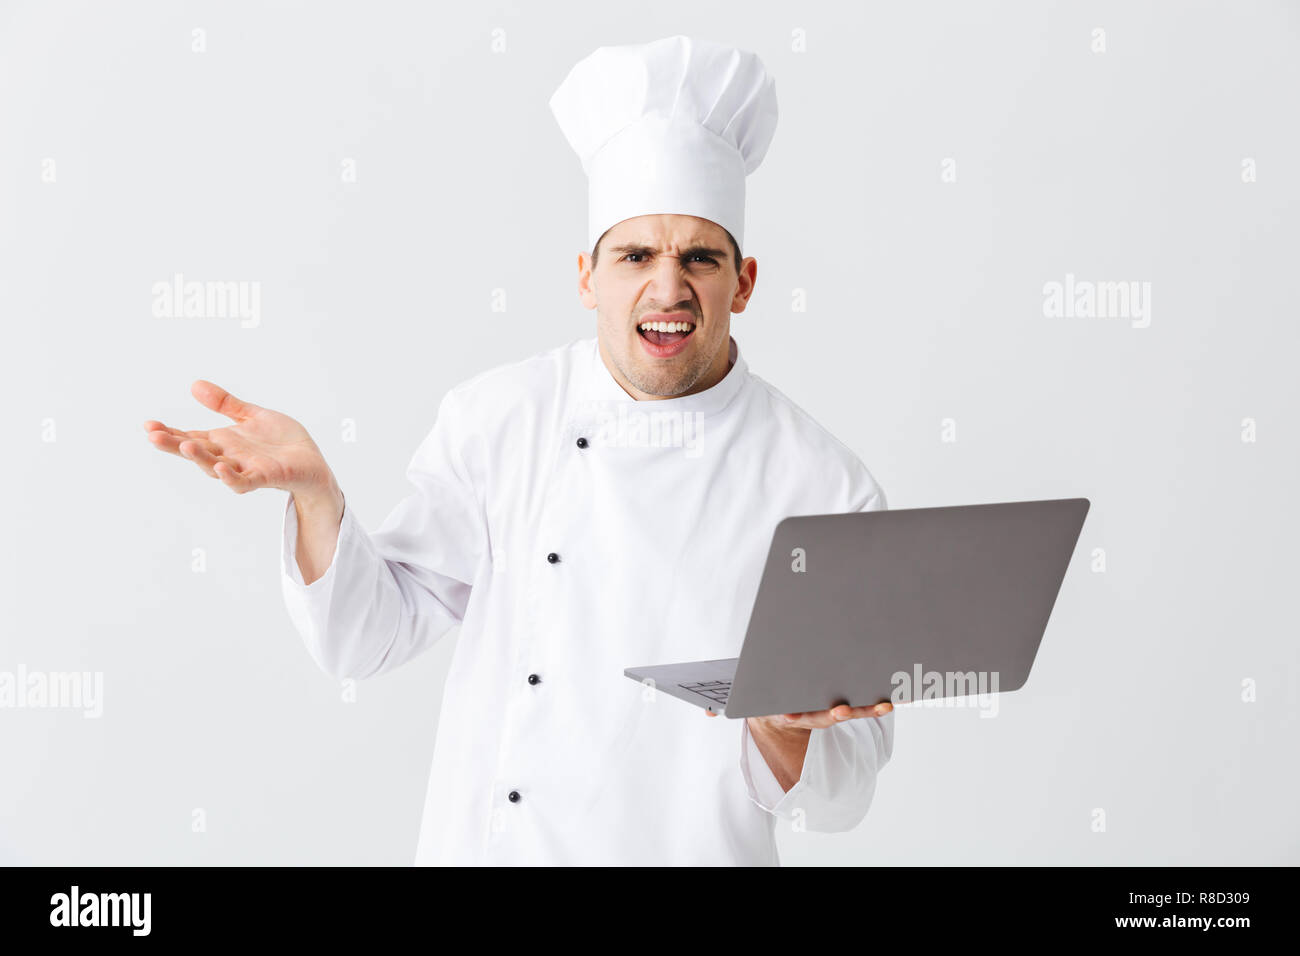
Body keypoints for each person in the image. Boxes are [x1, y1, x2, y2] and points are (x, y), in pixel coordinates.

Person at [143, 35, 895, 866]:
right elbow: (367, 639)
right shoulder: (502, 419)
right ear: (588, 277)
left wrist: (780, 729)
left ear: (743, 282)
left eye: (700, 259)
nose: (668, 287)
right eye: (635, 255)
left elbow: (846, 795)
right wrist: (318, 497)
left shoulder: (823, 484)